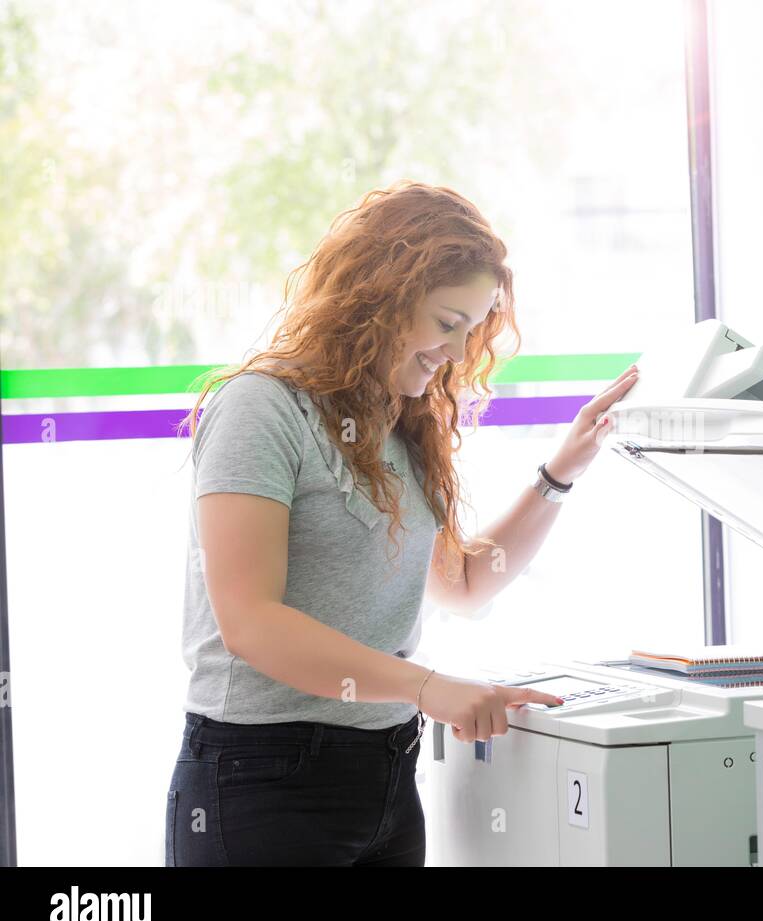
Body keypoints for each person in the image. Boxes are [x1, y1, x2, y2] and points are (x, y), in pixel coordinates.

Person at [164, 181, 639, 865]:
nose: (455, 350)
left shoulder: (400, 427)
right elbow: (250, 622)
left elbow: (467, 581)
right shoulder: (261, 410)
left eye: (472, 330)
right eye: (448, 323)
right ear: (377, 298)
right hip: (259, 779)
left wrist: (564, 468)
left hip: (384, 774)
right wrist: (428, 687)